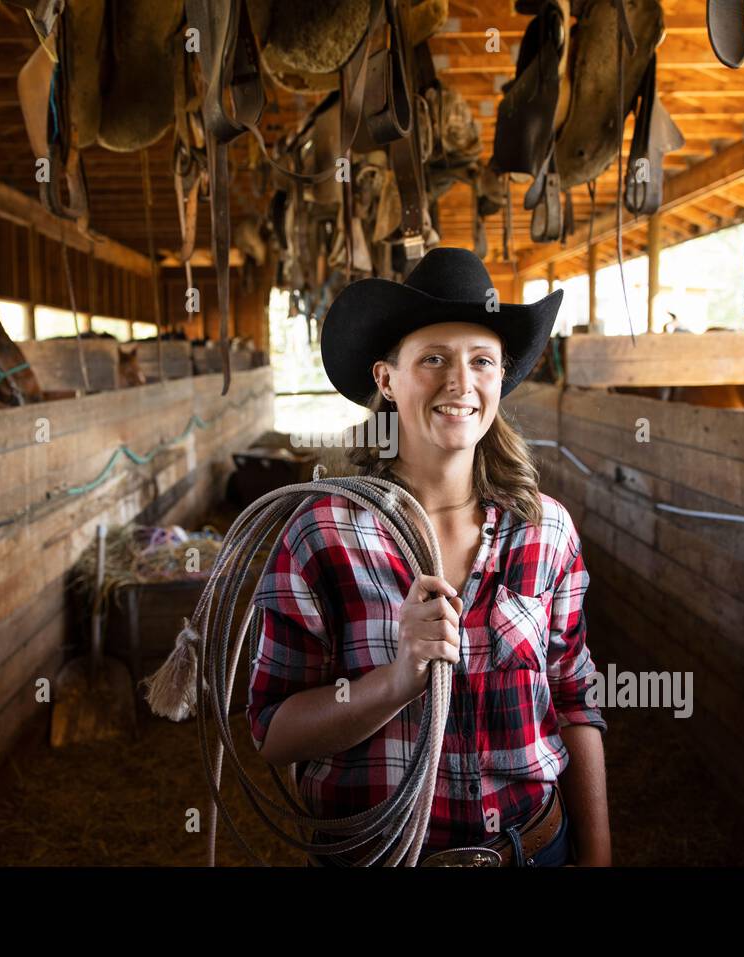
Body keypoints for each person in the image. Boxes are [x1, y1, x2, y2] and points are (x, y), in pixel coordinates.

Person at [247, 246, 611, 867]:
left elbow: (574, 698)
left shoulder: (545, 530)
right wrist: (397, 680)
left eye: (482, 361)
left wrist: (598, 856)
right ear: (386, 379)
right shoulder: (324, 531)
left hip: (533, 848)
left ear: (501, 378)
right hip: (378, 854)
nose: (459, 383)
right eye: (433, 359)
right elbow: (274, 733)